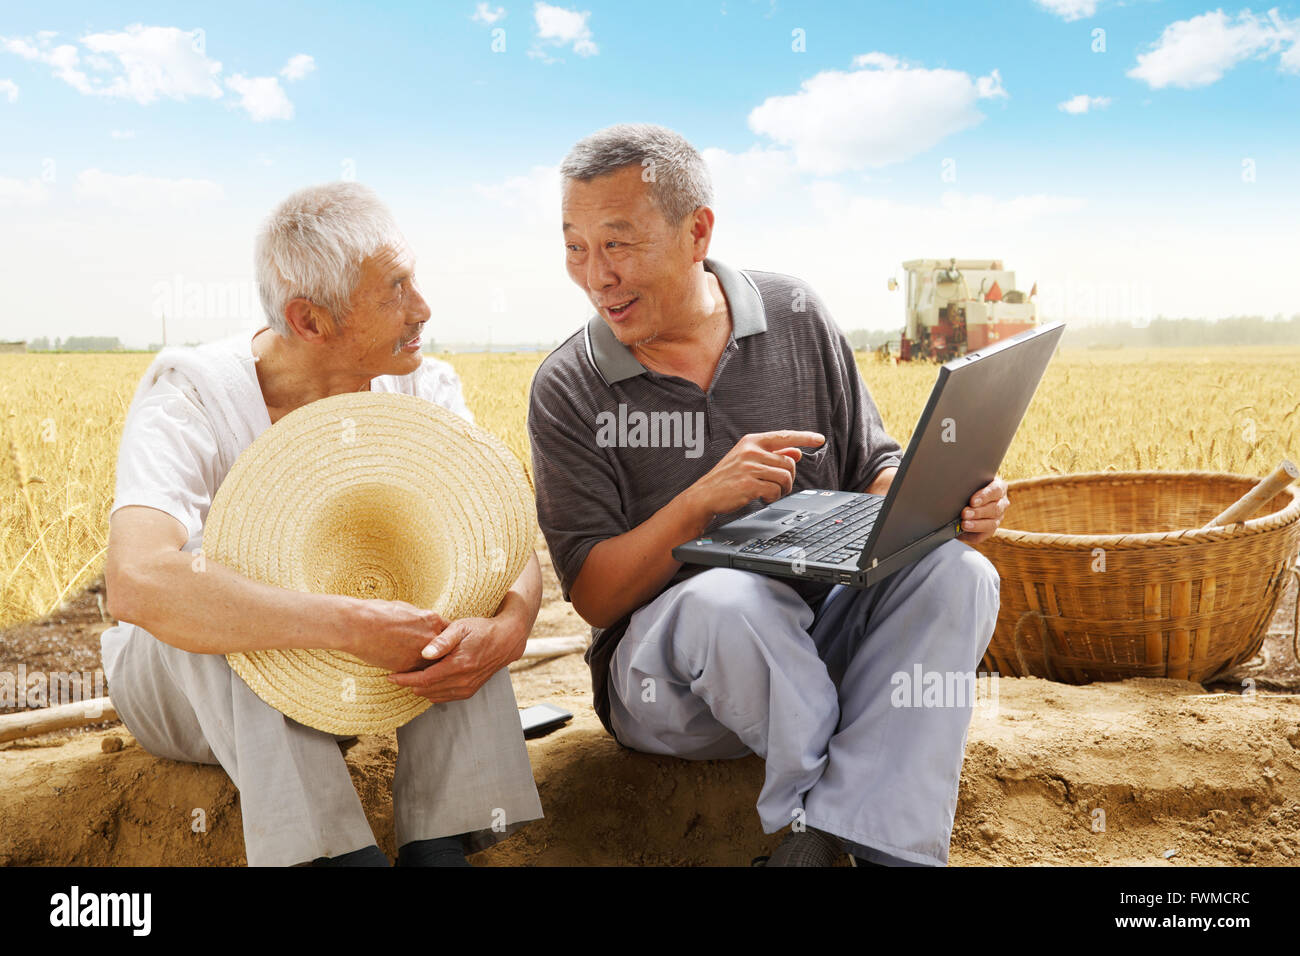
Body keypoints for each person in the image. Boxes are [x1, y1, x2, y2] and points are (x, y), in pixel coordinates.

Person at [527, 123, 1007, 866]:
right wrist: (699, 503)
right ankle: (809, 819)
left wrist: (933, 507)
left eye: (618, 244)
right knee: (733, 600)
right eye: (575, 247)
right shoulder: (569, 387)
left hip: (818, 641)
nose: (597, 276)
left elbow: (873, 462)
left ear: (697, 232)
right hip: (675, 687)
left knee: (961, 573)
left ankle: (869, 850)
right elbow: (593, 596)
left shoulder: (794, 313)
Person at [102, 182, 543, 867]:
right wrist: (346, 625)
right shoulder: (192, 389)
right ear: (310, 321)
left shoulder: (423, 387)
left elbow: (501, 530)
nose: (422, 308)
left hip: (345, 694)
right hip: (184, 697)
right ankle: (336, 859)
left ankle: (440, 845)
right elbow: (135, 581)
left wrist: (509, 628)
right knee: (206, 577)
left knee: (462, 564)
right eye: (394, 289)